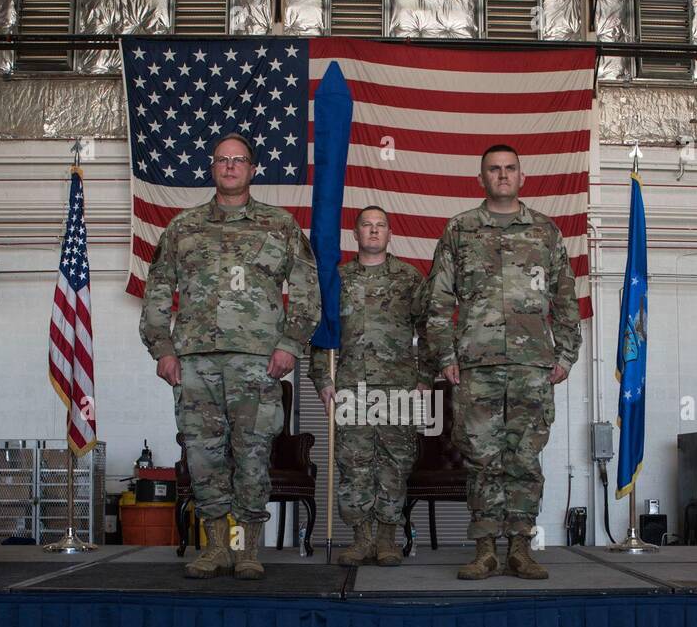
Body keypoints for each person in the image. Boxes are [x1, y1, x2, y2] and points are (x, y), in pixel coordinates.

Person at [139, 133, 319, 580]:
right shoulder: (183, 227)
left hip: (257, 361)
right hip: (196, 361)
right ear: (212, 168)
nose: (230, 166)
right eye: (222, 160)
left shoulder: (280, 226)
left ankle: (249, 550)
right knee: (203, 457)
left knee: (254, 455)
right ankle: (216, 547)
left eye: (239, 160)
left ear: (253, 169)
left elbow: (307, 290)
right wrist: (162, 349)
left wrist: (289, 344)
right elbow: (157, 293)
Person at [423, 145, 582, 580]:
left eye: (510, 168)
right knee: (481, 459)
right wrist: (445, 355)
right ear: (481, 178)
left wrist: (566, 355)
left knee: (524, 459)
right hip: (476, 365)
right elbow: (438, 301)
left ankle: (520, 548)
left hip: (533, 366)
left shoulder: (545, 233)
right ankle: (485, 549)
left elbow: (565, 299)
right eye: (494, 169)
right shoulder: (460, 230)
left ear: (522, 177)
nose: (503, 175)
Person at [310, 206, 429, 567]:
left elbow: (430, 330)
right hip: (349, 385)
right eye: (367, 225)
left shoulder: (409, 279)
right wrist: (322, 378)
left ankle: (387, 540)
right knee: (354, 463)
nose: (374, 231)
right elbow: (320, 331)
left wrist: (425, 378)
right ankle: (360, 539)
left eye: (380, 226)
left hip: (398, 388)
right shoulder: (337, 279)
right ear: (355, 233)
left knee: (395, 462)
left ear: (390, 234)